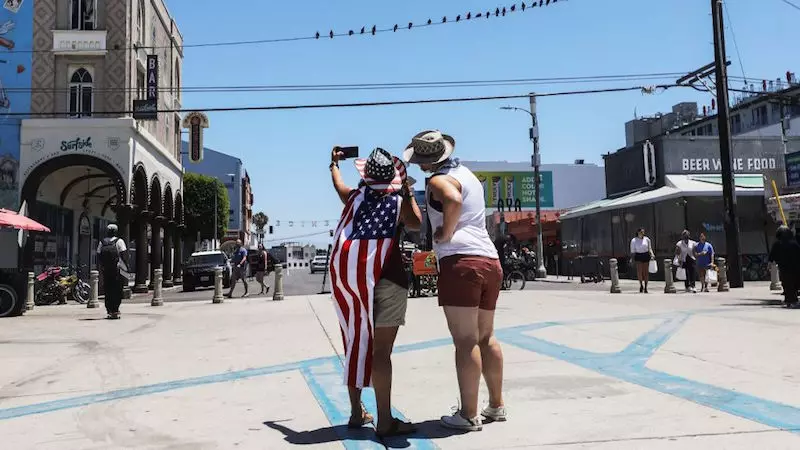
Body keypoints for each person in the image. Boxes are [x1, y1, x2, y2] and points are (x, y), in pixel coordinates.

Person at [404, 130, 504, 432]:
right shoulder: (467, 173)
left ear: (427, 160)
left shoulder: (438, 179)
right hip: (489, 260)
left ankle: (469, 414)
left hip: (461, 262)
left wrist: (446, 232)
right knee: (486, 337)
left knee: (465, 341)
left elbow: (452, 199)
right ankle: (496, 405)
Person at [329, 146, 422, 437]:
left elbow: (339, 185)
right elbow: (416, 224)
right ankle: (384, 420)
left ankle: (357, 412)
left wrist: (333, 164)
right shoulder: (398, 203)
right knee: (381, 353)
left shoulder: (354, 199)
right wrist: (405, 188)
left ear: (367, 177)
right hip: (390, 282)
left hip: (356, 283)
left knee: (355, 343)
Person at [96, 224, 130, 320]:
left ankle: (109, 310)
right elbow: (124, 256)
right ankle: (115, 309)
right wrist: (126, 268)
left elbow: (98, 256)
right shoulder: (119, 241)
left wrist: (102, 267)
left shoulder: (102, 242)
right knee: (117, 290)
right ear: (116, 231)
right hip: (117, 270)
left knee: (108, 290)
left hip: (106, 270)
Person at [769, 225, 800, 308]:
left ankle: (789, 300)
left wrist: (770, 264)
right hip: (795, 268)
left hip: (784, 268)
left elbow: (771, 256)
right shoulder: (794, 243)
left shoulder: (777, 244)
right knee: (794, 284)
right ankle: (793, 300)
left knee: (786, 284)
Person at [630, 228, 655, 293]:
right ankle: (641, 285)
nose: (642, 233)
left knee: (646, 272)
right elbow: (632, 251)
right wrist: (632, 259)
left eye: (643, 232)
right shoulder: (634, 240)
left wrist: (652, 254)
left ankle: (646, 287)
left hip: (645, 255)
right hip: (638, 255)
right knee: (639, 272)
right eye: (641, 232)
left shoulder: (647, 239)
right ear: (638, 232)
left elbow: (649, 248)